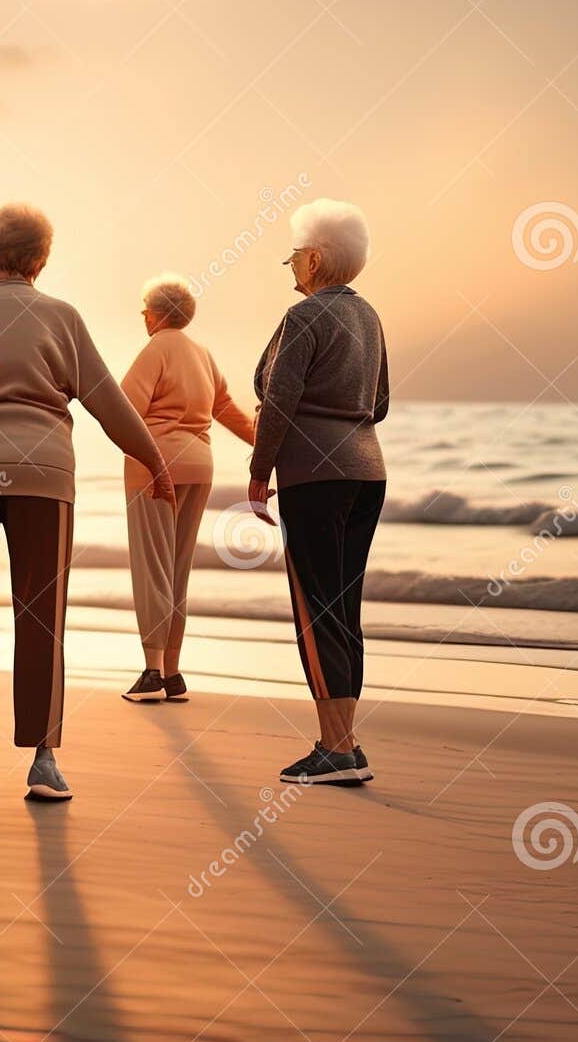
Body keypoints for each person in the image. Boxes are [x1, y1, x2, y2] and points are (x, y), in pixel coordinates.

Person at [0, 204, 173, 802]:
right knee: (41, 615)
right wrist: (153, 461)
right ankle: (42, 760)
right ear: (41, 257)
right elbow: (107, 401)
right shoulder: (60, 316)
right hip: (40, 472)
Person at [248, 200, 387, 787]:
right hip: (367, 472)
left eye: (293, 257)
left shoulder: (303, 318)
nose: (290, 269)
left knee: (315, 609)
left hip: (314, 474)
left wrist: (259, 471)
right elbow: (379, 404)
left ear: (314, 257)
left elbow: (277, 401)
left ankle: (334, 747)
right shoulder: (370, 317)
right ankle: (346, 742)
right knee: (344, 607)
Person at [119, 274, 255, 705]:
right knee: (178, 571)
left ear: (157, 315)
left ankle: (152, 672)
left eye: (145, 310)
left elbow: (124, 411)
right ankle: (174, 672)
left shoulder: (155, 350)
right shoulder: (203, 354)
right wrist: (263, 443)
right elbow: (226, 408)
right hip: (200, 466)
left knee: (152, 568)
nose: (143, 317)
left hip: (156, 469)